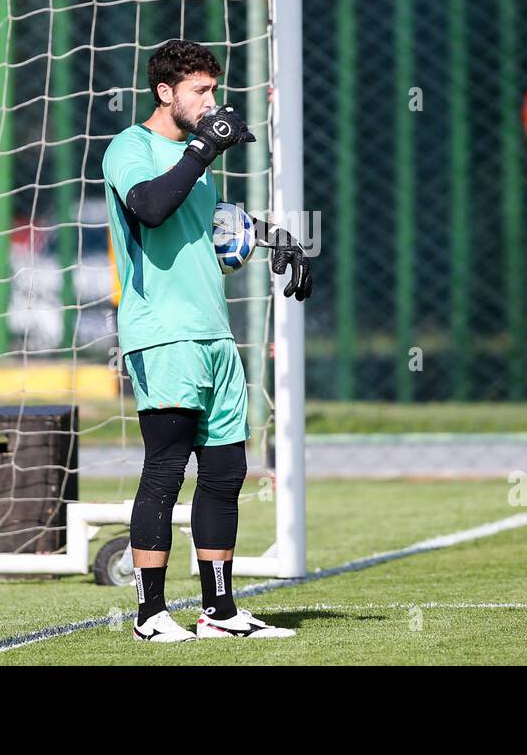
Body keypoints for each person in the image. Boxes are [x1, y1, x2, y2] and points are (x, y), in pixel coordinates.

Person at [101, 39, 312, 641]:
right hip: (163, 336)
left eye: (213, 89)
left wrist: (277, 238)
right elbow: (150, 208)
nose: (211, 100)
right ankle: (149, 615)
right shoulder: (131, 148)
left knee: (225, 474)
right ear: (166, 92)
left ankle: (219, 612)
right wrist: (202, 146)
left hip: (215, 335)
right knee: (165, 471)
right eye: (200, 90)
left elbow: (213, 223)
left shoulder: (197, 158)